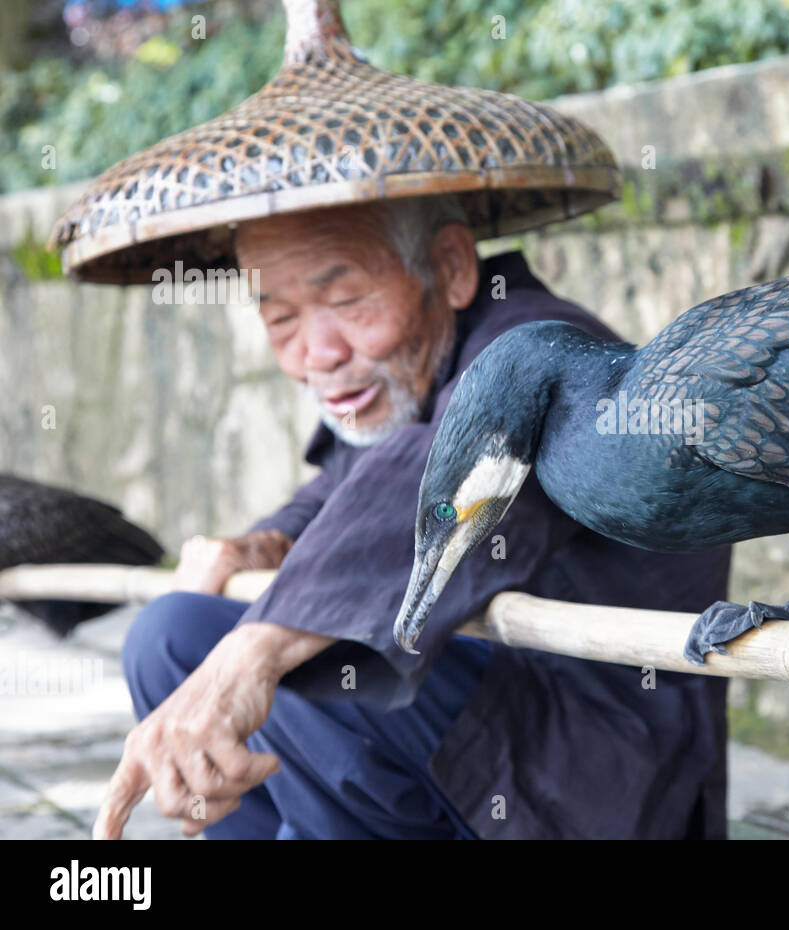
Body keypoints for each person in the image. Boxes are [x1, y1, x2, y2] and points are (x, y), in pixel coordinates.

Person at [49, 0, 733, 840]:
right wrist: (255, 550)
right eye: (281, 317)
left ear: (448, 268)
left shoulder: (544, 353)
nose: (319, 353)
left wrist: (250, 656)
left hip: (600, 779)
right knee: (170, 635)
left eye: (344, 298)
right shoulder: (409, 373)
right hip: (471, 742)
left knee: (311, 677)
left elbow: (435, 467)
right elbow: (349, 490)